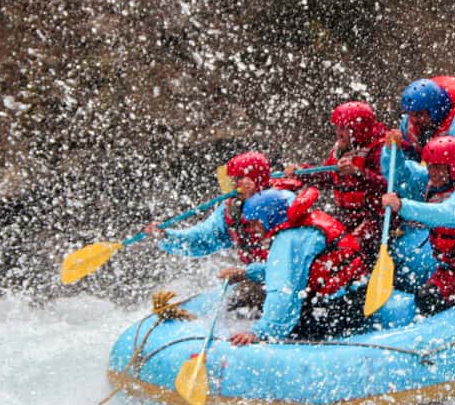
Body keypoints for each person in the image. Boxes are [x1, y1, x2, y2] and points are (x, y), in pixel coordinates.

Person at [144, 151, 300, 306]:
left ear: (253, 180)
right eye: (232, 180)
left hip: (294, 283)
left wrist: (247, 273)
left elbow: (292, 263)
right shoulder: (232, 211)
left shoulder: (284, 202)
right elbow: (201, 240)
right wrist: (166, 236)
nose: (233, 185)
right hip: (261, 279)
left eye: (238, 179)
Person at [226, 187, 370, 346]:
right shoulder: (304, 223)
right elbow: (293, 269)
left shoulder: (287, 240)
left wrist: (258, 332)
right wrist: (248, 273)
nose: (253, 229)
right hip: (358, 297)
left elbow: (283, 290)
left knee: (275, 322)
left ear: (267, 217)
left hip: (335, 310)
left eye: (255, 223)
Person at [381, 135, 455, 315]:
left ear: (453, 167)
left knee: (427, 298)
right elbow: (402, 176)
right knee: (423, 295)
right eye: (429, 165)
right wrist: (392, 152)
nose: (432, 171)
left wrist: (403, 206)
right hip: (448, 269)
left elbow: (443, 213)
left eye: (437, 166)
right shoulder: (435, 182)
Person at [285, 101, 387, 259]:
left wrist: (358, 172)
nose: (339, 133)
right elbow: (326, 177)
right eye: (338, 127)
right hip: (347, 216)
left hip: (374, 219)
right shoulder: (340, 149)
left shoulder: (379, 150)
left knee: (349, 250)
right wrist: (302, 172)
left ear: (359, 130)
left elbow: (388, 185)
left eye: (344, 128)